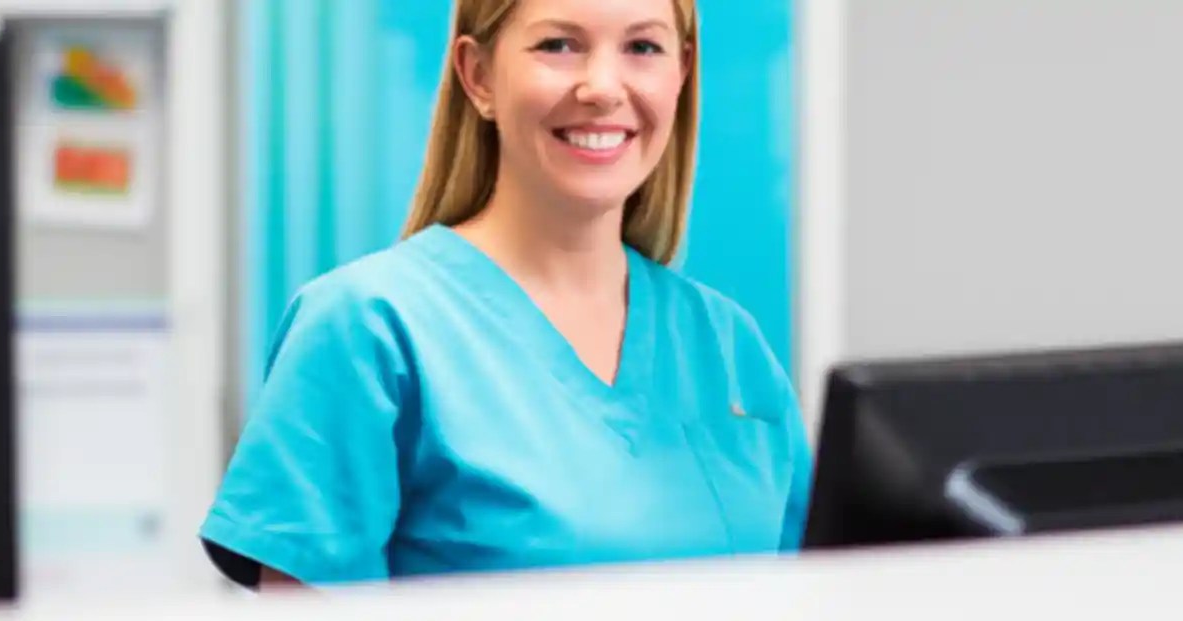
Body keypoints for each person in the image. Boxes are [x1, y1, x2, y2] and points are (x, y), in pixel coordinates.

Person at [199, 0, 812, 588]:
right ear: (479, 75)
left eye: (642, 47)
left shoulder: (730, 347)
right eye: (559, 44)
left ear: (681, 72)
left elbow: (819, 619)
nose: (603, 85)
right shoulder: (368, 328)